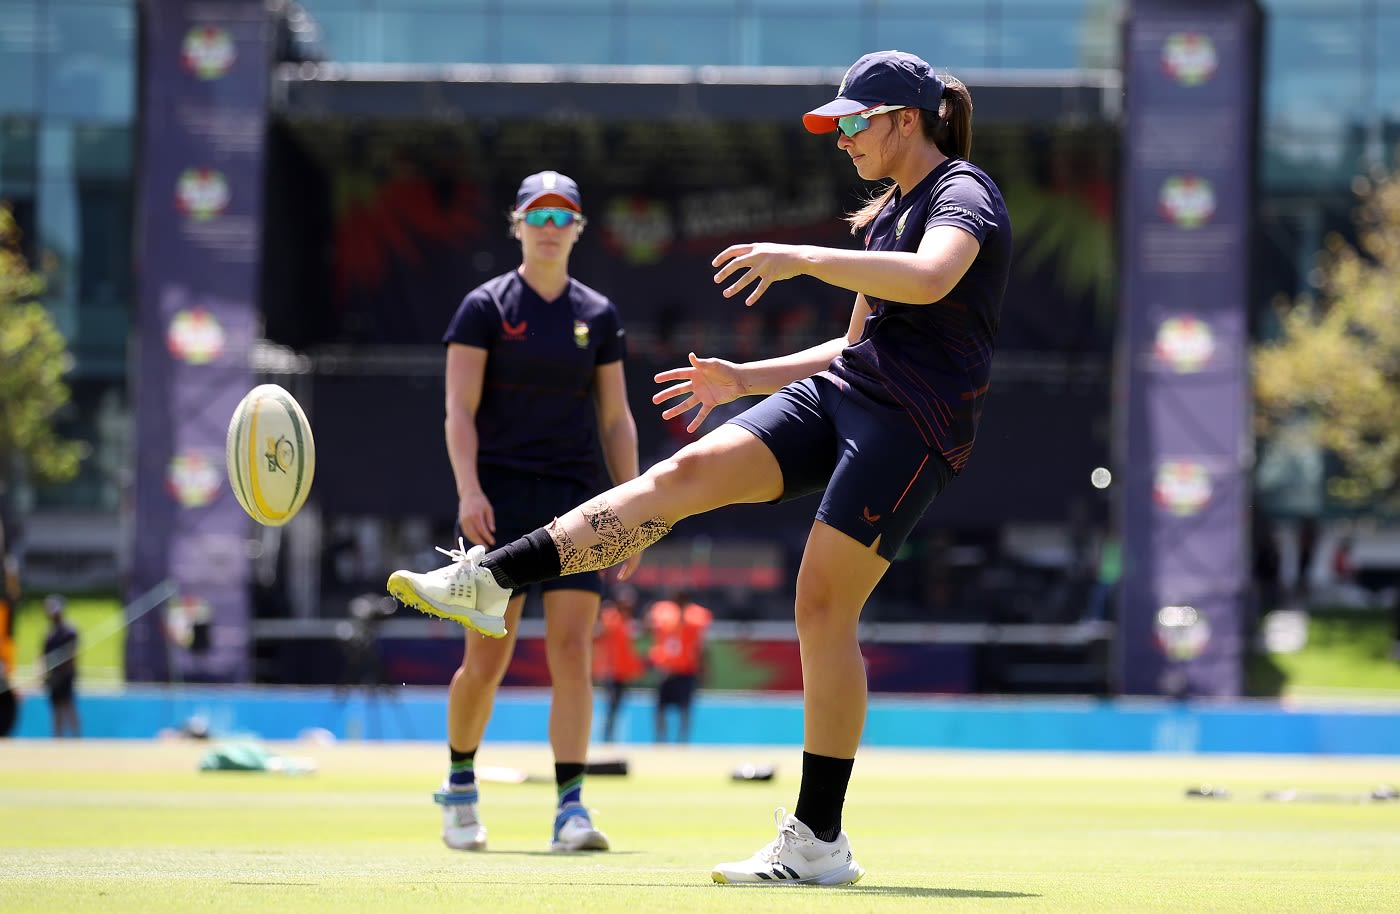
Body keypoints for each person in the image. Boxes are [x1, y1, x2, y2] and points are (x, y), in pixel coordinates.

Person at [388, 49, 1011, 885]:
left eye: (854, 122)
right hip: (844, 392)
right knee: (677, 479)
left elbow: (934, 278)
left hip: (914, 424)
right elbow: (857, 346)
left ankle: (817, 841)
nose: (841, 138)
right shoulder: (889, 210)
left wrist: (805, 258)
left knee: (821, 608)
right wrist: (742, 381)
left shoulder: (960, 190)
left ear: (906, 120)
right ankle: (490, 580)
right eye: (836, 125)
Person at [387, 170, 641, 853]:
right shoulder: (484, 308)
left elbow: (616, 419)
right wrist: (469, 490)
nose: (552, 228)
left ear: (580, 229)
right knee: (486, 659)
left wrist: (633, 507)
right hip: (498, 505)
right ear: (518, 223)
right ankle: (461, 787)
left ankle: (571, 811)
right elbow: (458, 412)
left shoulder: (599, 314)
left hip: (578, 502)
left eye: (565, 217)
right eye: (540, 215)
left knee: (573, 656)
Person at [646, 589, 712, 744]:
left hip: (686, 670)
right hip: (666, 669)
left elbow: (701, 646)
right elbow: (648, 626)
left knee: (685, 708)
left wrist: (704, 668)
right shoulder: (662, 611)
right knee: (660, 708)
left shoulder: (697, 616)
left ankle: (682, 741)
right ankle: (661, 740)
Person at [592, 584, 645, 743]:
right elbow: (599, 634)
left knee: (616, 706)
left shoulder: (629, 622)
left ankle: (610, 737)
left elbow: (631, 648)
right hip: (610, 670)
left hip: (623, 672)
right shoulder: (610, 616)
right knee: (612, 705)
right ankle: (606, 737)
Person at [42, 594, 80, 738]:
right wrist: (45, 674)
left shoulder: (69, 631)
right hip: (53, 677)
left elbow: (72, 655)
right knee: (56, 709)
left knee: (68, 705)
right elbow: (43, 656)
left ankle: (77, 738)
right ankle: (58, 740)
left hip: (65, 676)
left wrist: (61, 674)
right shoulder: (49, 634)